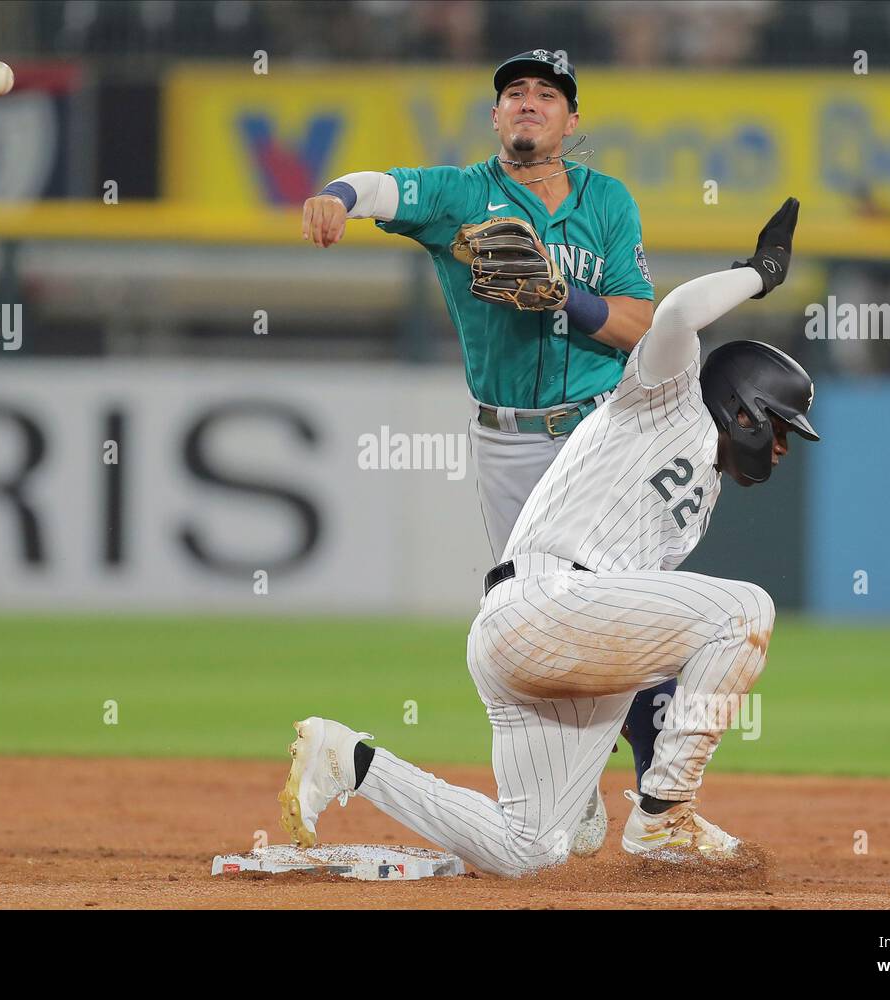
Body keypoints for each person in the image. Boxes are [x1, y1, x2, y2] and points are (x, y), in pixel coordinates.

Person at [279, 198, 820, 874]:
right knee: (746, 612)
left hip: (556, 646)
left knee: (530, 849)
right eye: (778, 427)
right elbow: (679, 313)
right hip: (545, 602)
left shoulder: (701, 495)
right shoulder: (666, 395)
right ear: (742, 409)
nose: (782, 447)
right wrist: (760, 272)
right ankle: (665, 816)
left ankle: (350, 760)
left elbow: (650, 627)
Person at [300, 49, 669, 855]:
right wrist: (335, 194)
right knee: (535, 627)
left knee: (630, 610)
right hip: (506, 442)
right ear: (497, 117)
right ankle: (571, 789)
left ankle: (659, 806)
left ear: (572, 122)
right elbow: (382, 187)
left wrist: (562, 297)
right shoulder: (464, 195)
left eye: (547, 94)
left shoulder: (608, 201)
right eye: (515, 94)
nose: (530, 103)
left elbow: (641, 325)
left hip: (597, 431)